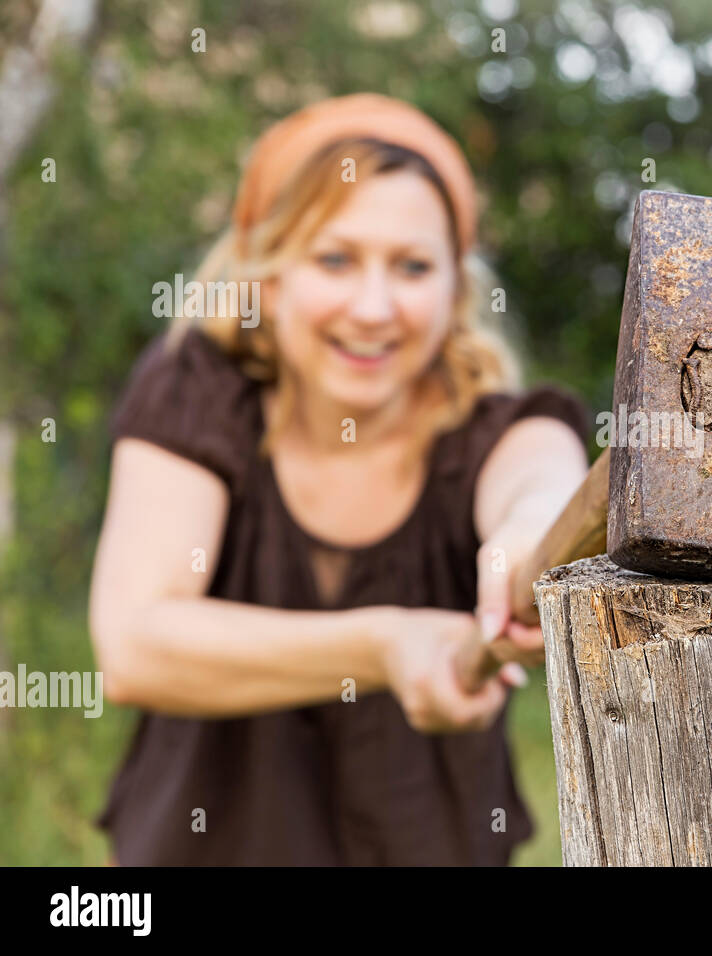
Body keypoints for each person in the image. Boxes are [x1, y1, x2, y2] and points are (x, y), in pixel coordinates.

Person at [88, 94, 589, 865]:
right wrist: (388, 644)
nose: (375, 307)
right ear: (268, 277)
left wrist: (526, 542)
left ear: (456, 290)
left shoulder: (491, 431)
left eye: (414, 267)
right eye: (335, 259)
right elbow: (135, 645)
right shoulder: (195, 394)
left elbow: (541, 477)